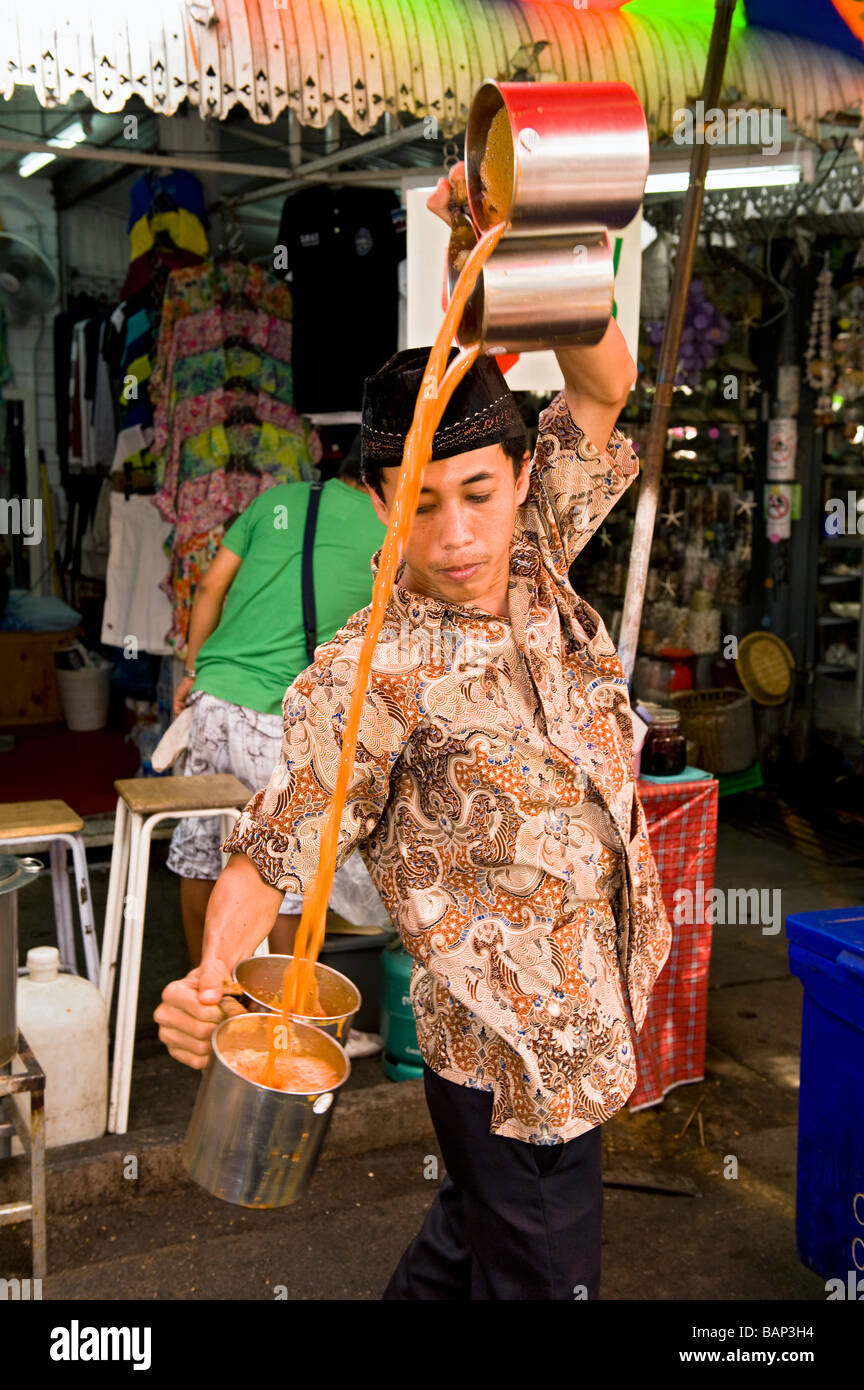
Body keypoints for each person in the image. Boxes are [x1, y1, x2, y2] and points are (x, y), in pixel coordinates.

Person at [155, 164, 671, 1300]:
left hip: (593, 1008)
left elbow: (607, 377)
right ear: (381, 500)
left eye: (478, 493)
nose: (456, 536)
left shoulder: (537, 550)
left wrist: (519, 236)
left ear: (522, 475)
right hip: (506, 1055)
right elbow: (272, 850)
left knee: (466, 1242)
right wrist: (212, 970)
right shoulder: (367, 672)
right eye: (419, 502)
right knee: (539, 1273)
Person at [166, 442, 387, 964]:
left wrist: (194, 669)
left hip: (212, 698)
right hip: (279, 714)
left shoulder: (275, 500)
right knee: (281, 868)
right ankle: (278, 1008)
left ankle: (209, 987)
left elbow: (210, 587)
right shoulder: (391, 529)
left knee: (202, 853)